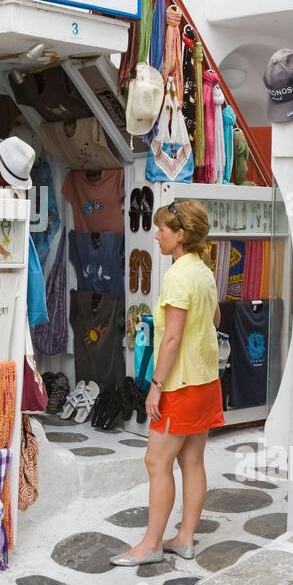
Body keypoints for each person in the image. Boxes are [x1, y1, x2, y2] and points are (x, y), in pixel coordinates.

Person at [111, 199, 224, 565]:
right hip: (206, 381)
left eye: (162, 229)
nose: (156, 234)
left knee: (156, 462)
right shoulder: (204, 271)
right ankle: (185, 539)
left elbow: (172, 338)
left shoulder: (177, 276)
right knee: (192, 461)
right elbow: (215, 319)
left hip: (180, 385)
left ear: (181, 235)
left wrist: (155, 385)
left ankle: (151, 544)